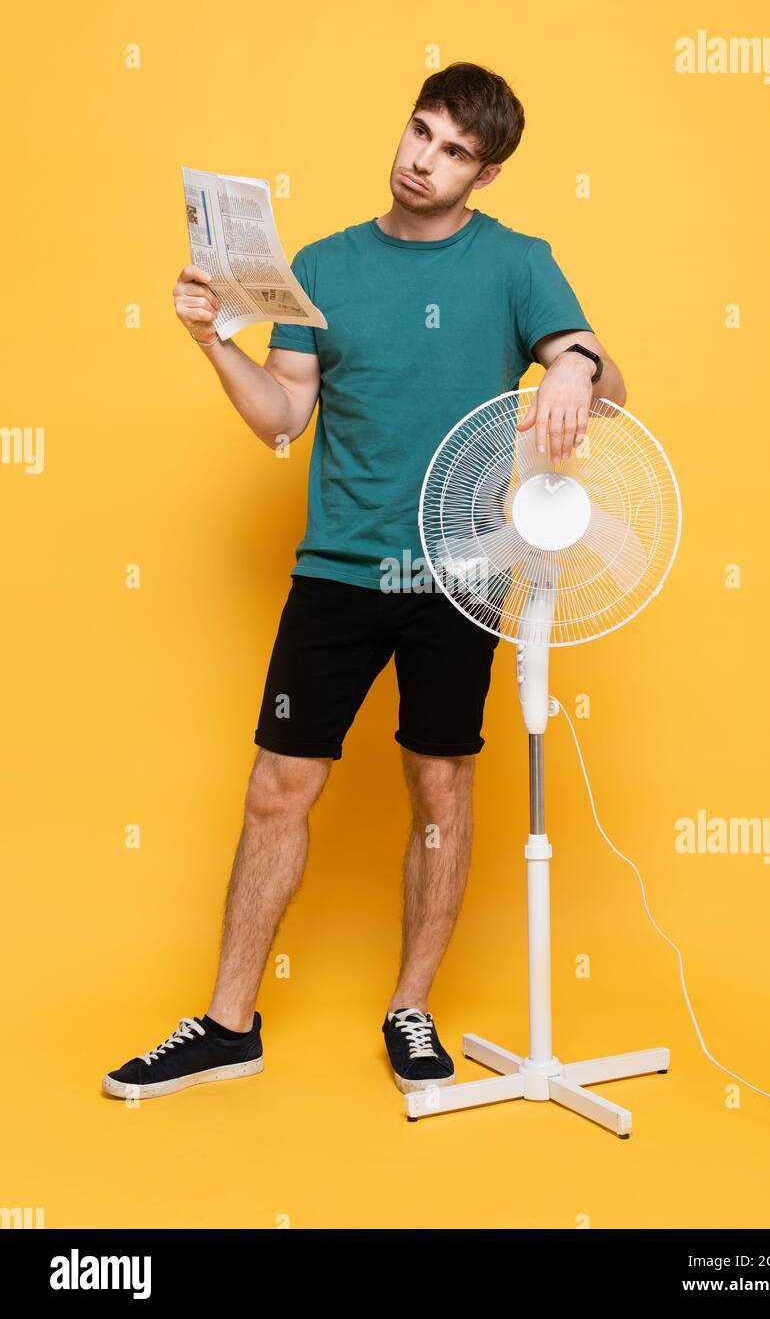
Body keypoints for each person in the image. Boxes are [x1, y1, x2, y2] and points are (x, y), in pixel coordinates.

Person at [102, 61, 627, 1101]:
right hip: (338, 571)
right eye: (419, 131)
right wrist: (213, 344)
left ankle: (411, 1009)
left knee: (441, 787)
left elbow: (611, 388)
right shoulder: (322, 266)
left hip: (459, 573)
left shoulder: (520, 265)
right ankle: (227, 1023)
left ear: (485, 174)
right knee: (276, 789)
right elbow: (283, 416)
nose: (420, 159)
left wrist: (574, 362)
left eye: (452, 151)